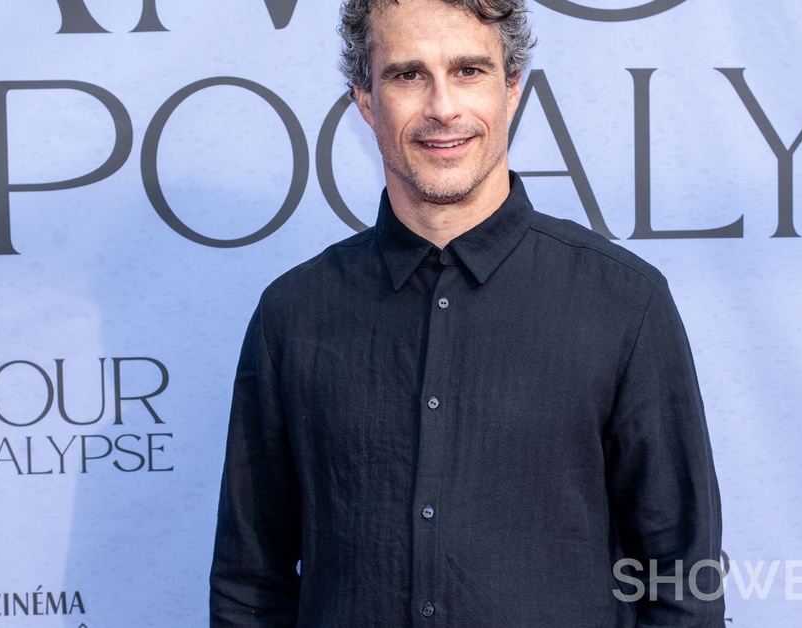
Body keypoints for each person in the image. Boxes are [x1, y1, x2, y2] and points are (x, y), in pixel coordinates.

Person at [210, 0, 724, 625]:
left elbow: (681, 578)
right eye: (407, 75)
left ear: (512, 90)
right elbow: (250, 584)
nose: (443, 108)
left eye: (469, 71)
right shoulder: (292, 317)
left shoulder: (623, 303)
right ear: (365, 100)